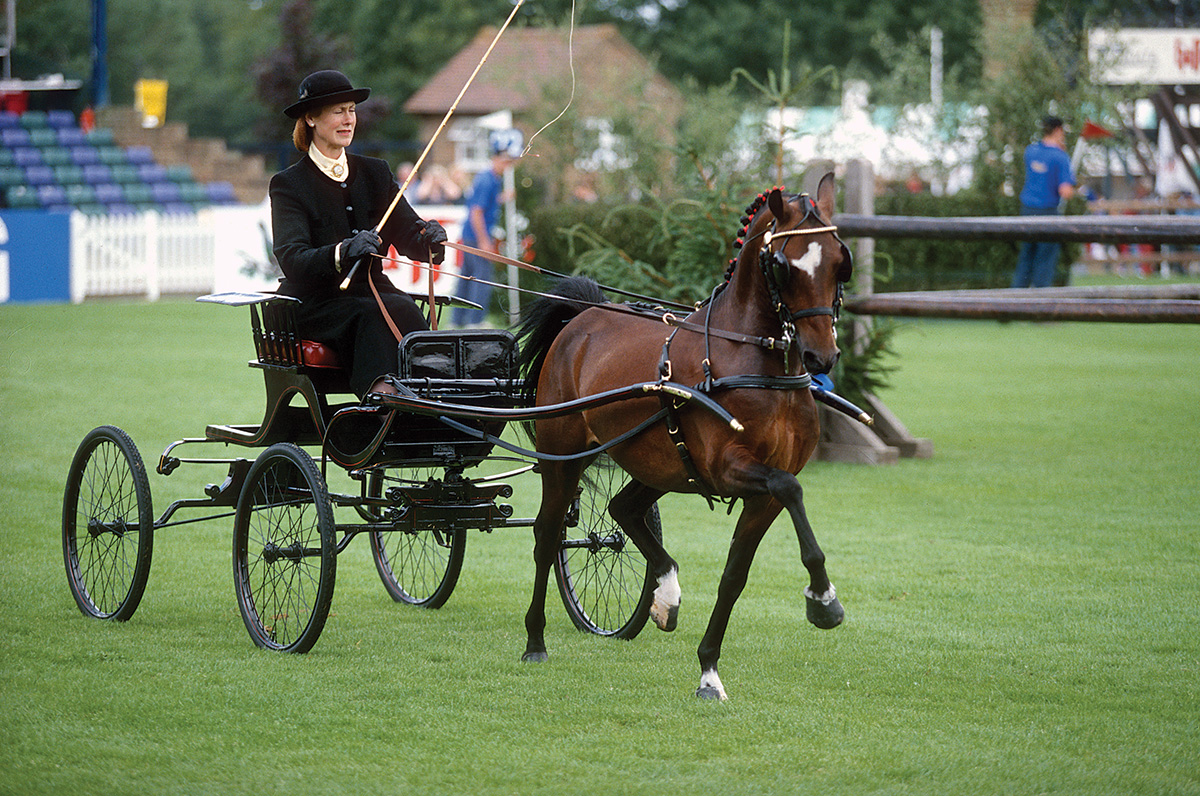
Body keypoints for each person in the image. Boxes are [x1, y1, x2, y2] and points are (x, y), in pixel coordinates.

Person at [269, 70, 447, 398]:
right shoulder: (289, 184)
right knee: (372, 313)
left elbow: (407, 230)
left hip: (375, 293)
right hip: (316, 302)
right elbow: (293, 258)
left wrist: (429, 239)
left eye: (351, 110)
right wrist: (343, 251)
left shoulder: (375, 172)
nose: (348, 119)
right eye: (338, 111)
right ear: (310, 118)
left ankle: (440, 392)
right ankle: (382, 399)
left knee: (403, 306)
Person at [451, 138, 517, 327]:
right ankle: (475, 320)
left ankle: (458, 320)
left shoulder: (489, 178)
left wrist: (502, 198)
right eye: (505, 161)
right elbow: (477, 212)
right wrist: (484, 241)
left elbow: (484, 204)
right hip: (476, 236)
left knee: (467, 277)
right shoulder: (487, 179)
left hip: (470, 235)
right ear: (496, 159)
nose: (507, 165)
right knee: (482, 278)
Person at [1012, 115, 1076, 288]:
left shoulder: (1030, 151)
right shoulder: (1060, 157)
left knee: (1026, 256)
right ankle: (1041, 303)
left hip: (1027, 210)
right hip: (1048, 211)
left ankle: (1016, 299)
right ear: (1058, 130)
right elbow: (1065, 191)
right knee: (1045, 259)